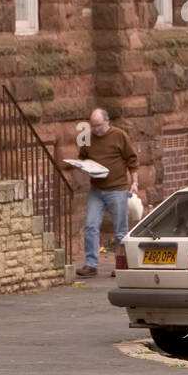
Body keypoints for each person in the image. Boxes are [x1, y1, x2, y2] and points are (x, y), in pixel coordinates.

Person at [74, 108, 139, 277]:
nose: (95, 129)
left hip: (117, 188)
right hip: (97, 188)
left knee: (120, 230)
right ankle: (91, 264)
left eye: (98, 125)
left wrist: (135, 182)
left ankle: (121, 265)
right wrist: (84, 165)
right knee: (90, 225)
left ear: (107, 121)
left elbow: (132, 159)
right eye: (93, 126)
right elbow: (82, 156)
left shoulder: (119, 135)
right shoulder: (88, 137)